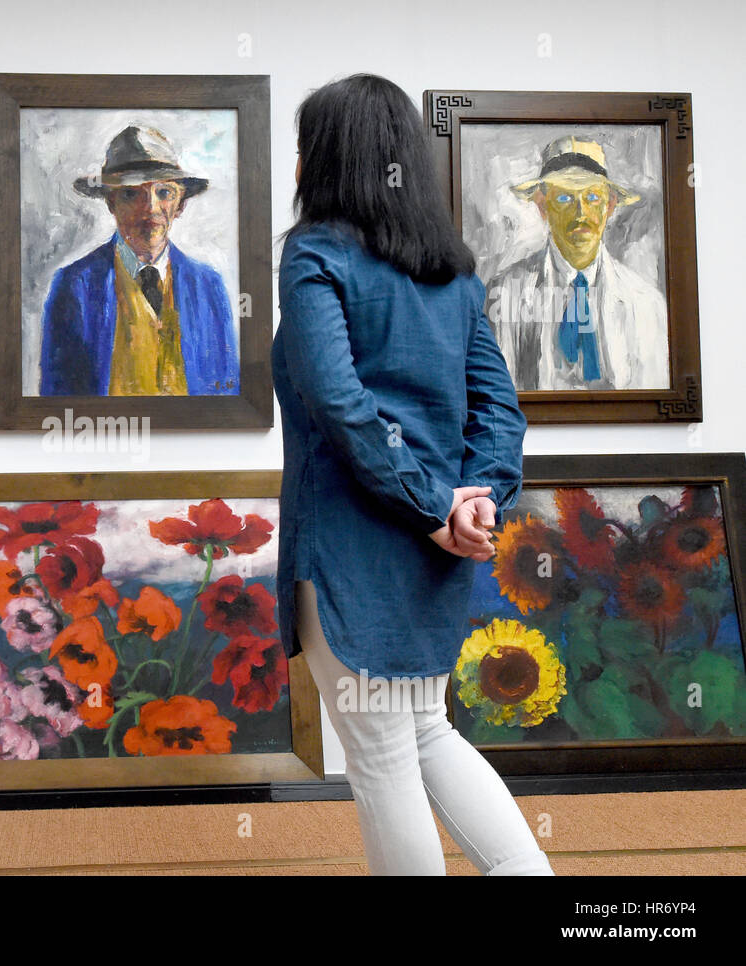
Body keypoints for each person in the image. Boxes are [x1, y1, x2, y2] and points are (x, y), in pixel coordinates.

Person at [273, 73, 552, 875]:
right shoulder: (453, 273)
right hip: (432, 554)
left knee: (385, 758)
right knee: (424, 731)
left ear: (328, 160)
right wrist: (475, 505)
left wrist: (438, 508)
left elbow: (338, 402)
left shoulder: (315, 252)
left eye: (305, 147)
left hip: (351, 550)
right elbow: (499, 415)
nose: (297, 163)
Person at [39, 125, 239, 396]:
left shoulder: (208, 286)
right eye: (131, 193)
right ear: (111, 202)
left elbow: (227, 390)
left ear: (180, 205)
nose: (151, 209)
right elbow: (57, 397)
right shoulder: (74, 286)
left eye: (164, 193)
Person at [484, 136, 669, 391]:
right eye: (564, 199)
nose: (581, 214)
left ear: (610, 205)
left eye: (592, 197)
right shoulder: (503, 293)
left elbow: (652, 400)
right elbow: (499, 396)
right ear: (542, 206)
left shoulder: (646, 303)